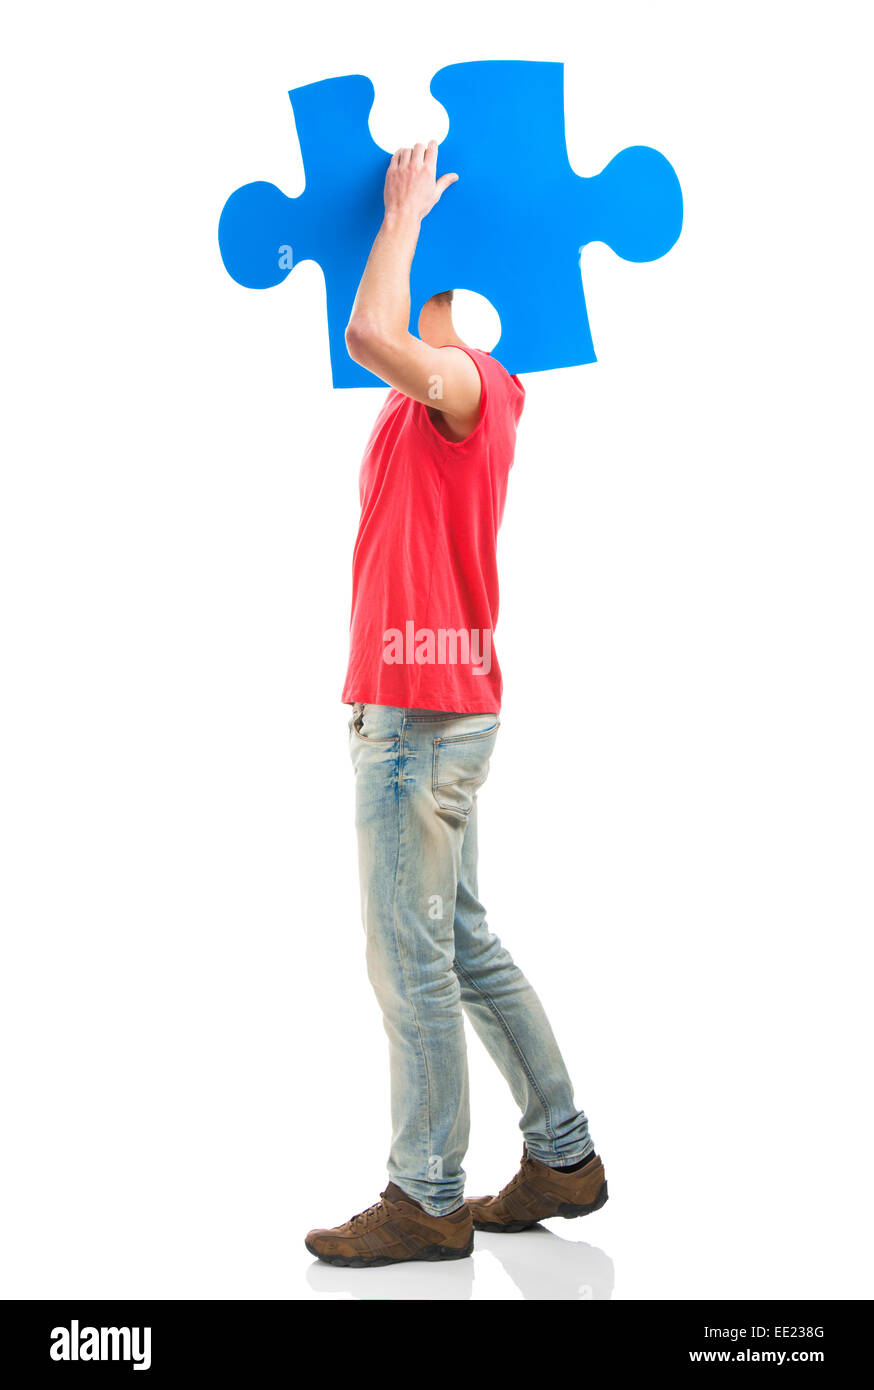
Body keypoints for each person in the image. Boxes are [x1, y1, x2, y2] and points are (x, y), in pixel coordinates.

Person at [305, 141, 607, 1268]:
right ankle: (562, 1153)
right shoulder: (409, 399)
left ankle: (427, 1192)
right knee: (461, 942)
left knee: (410, 957)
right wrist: (391, 239)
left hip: (419, 718)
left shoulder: (471, 381)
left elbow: (372, 331)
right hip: (422, 708)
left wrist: (402, 215)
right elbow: (376, 333)